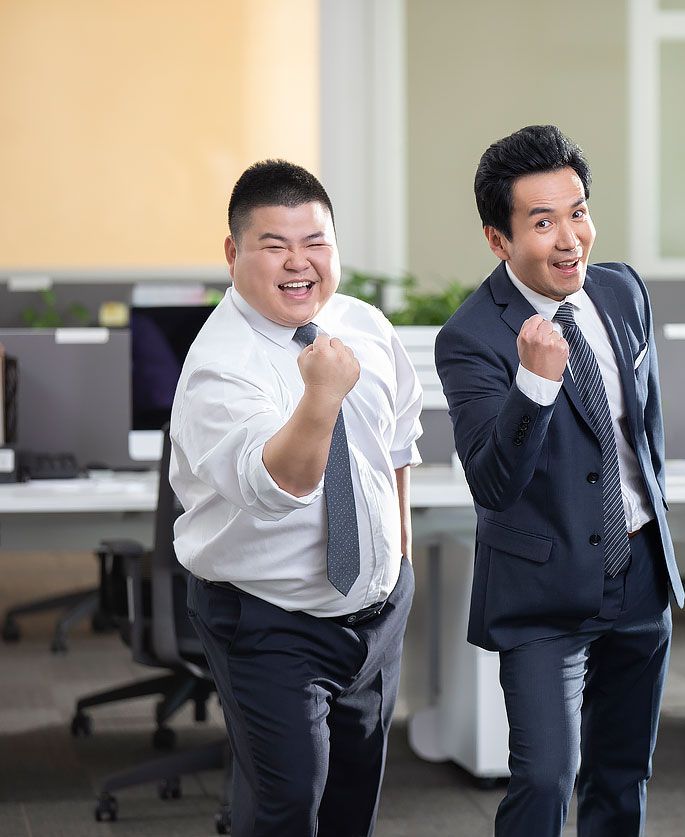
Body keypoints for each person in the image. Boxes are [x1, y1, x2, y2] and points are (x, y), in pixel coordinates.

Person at [434, 124, 683, 837]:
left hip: (638, 572)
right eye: (542, 222)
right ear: (498, 239)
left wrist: (658, 528)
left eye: (577, 211)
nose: (569, 237)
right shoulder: (472, 335)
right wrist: (533, 387)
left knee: (621, 774)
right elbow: (491, 482)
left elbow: (647, 428)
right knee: (544, 779)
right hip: (546, 592)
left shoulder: (621, 290)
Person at [170, 159, 423, 837]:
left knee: (350, 804)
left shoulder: (362, 324)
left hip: (373, 613)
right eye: (274, 245)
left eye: (315, 243)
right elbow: (279, 485)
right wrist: (320, 397)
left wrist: (399, 556)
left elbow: (399, 439)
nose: (298, 263)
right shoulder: (219, 367)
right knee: (288, 807)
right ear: (233, 253)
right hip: (269, 618)